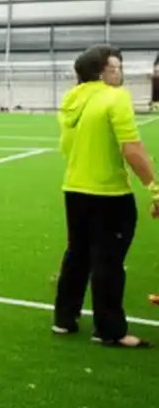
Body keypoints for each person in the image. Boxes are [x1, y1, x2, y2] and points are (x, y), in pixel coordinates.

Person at [54, 46, 158, 348]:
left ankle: (64, 319)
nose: (120, 72)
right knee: (108, 261)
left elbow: (66, 145)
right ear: (102, 72)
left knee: (77, 254)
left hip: (74, 190)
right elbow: (132, 149)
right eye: (116, 67)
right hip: (109, 194)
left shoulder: (72, 100)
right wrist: (155, 189)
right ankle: (110, 329)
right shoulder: (116, 97)